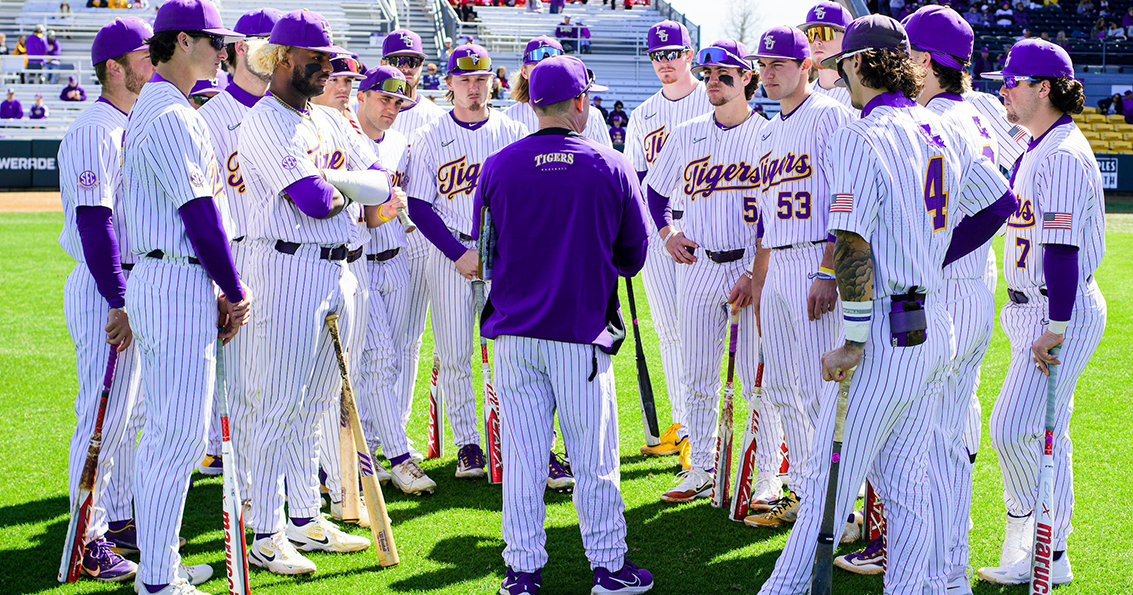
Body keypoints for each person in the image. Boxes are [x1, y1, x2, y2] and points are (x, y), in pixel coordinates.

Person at [755, 15, 1013, 595]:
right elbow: (1000, 203)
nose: (841, 74)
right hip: (934, 323)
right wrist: (934, 256)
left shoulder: (858, 133)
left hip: (883, 333)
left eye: (842, 63)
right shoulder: (938, 124)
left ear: (857, 62)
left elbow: (851, 242)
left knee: (828, 483)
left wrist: (851, 340)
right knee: (908, 486)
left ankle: (783, 589)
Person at [474, 53, 654, 595]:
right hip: (579, 333)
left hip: (513, 332)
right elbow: (633, 256)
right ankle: (609, 566)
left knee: (524, 459)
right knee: (593, 457)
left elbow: (484, 251)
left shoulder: (497, 165)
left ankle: (521, 572)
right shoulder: (611, 163)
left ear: (532, 103)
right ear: (581, 101)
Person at [848, 7, 1011, 590]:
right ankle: (941, 568)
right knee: (948, 439)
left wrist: (932, 255)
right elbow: (1005, 196)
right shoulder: (982, 109)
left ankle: (940, 573)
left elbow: (999, 202)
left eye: (908, 54)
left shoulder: (931, 119)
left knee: (932, 446)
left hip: (942, 289)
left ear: (921, 60)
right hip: (974, 284)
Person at [120, 0, 250, 592]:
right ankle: (157, 578)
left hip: (171, 276)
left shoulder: (164, 105)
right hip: (174, 277)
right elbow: (199, 214)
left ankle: (160, 564)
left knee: (169, 436)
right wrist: (233, 288)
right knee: (176, 437)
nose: (224, 52)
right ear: (181, 41)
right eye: (215, 41)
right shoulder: (171, 113)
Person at [976, 38, 1107, 587]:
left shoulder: (1063, 154)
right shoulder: (1035, 145)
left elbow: (1063, 250)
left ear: (1044, 88)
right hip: (1032, 308)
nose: (1004, 91)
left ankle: (1043, 541)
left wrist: (1055, 326)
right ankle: (1053, 551)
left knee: (1011, 427)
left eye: (1013, 83)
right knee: (1050, 432)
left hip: (1058, 308)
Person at [643, 38, 766, 503]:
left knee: (758, 380)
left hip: (749, 266)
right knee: (696, 377)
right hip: (697, 266)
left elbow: (776, 212)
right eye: (708, 74)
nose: (714, 81)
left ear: (747, 77)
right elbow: (655, 192)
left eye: (725, 74)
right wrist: (667, 233)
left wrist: (754, 271)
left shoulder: (767, 134)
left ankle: (763, 473)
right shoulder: (687, 132)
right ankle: (702, 469)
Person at [743, 25, 854, 526]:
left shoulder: (830, 115)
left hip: (816, 259)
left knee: (820, 388)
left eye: (779, 64)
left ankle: (837, 502)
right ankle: (807, 492)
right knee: (785, 387)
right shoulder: (768, 130)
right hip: (780, 265)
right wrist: (759, 279)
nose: (767, 74)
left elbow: (845, 198)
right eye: (762, 65)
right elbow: (765, 216)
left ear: (806, 66)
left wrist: (830, 268)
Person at [57, 17, 154, 584]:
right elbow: (95, 223)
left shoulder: (129, 121)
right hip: (106, 287)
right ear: (114, 67)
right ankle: (85, 541)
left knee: (126, 415)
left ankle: (114, 521)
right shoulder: (95, 128)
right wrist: (118, 299)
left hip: (129, 282)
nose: (154, 60)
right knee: (103, 414)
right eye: (144, 54)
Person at [405, 44, 528, 479]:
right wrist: (458, 253)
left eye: (481, 79)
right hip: (449, 252)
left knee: (514, 353)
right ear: (449, 84)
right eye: (465, 80)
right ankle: (468, 443)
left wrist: (501, 249)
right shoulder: (429, 136)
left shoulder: (513, 131)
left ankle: (519, 436)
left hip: (505, 253)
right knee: (455, 353)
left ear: (493, 83)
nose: (473, 88)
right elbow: (418, 205)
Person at [195, 6, 281, 523]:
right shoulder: (209, 119)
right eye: (261, 41)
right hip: (237, 256)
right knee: (245, 389)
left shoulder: (288, 110)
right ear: (236, 49)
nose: (270, 51)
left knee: (284, 385)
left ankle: (284, 486)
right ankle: (248, 490)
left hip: (288, 258)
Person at [624, 20, 712, 468]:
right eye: (657, 56)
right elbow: (637, 181)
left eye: (673, 53)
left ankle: (701, 428)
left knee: (699, 332)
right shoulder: (643, 114)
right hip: (660, 230)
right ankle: (684, 424)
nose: (665, 63)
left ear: (689, 54)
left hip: (702, 224)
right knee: (669, 331)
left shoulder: (712, 99)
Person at [353, 65, 439, 495]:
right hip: (359, 262)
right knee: (378, 358)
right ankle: (399, 456)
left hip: (398, 258)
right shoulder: (345, 139)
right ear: (362, 96)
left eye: (398, 101)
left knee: (396, 357)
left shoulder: (401, 142)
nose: (391, 108)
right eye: (384, 98)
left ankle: (371, 447)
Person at [379, 29, 447, 463]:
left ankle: (397, 434)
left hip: (422, 240)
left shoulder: (434, 116)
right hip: (378, 239)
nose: (406, 68)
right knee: (379, 343)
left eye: (413, 61)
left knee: (411, 342)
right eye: (398, 60)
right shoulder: (369, 107)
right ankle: (378, 434)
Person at [504, 37, 612, 146]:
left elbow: (606, 155)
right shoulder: (507, 119)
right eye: (537, 67)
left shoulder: (592, 116)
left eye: (553, 66)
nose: (546, 72)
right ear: (524, 72)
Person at [801, 1, 856, 110]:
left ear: (847, 37)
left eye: (825, 33)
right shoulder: (801, 97)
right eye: (811, 34)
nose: (816, 41)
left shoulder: (865, 96)